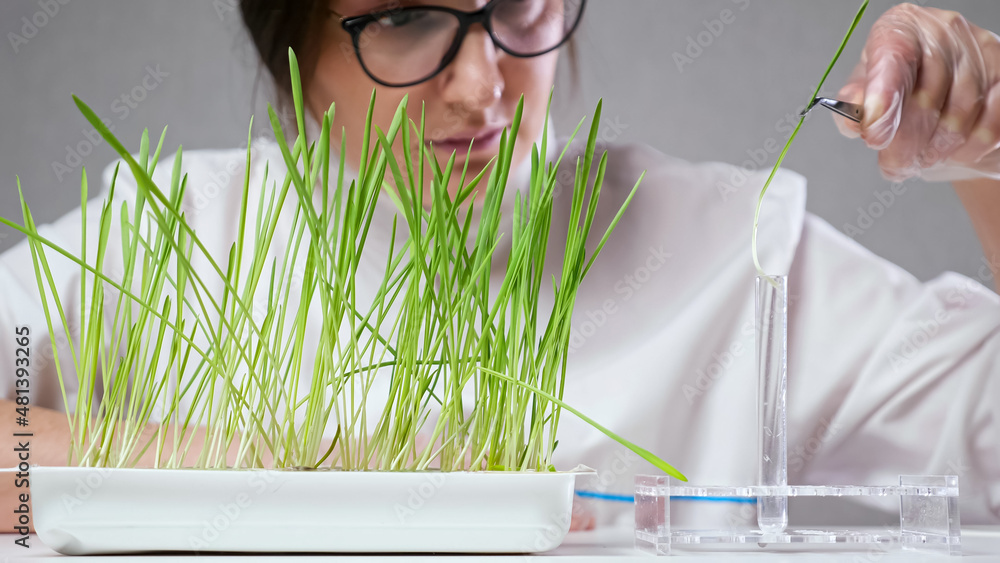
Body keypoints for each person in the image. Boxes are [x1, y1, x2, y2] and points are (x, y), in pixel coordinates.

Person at [2, 0, 999, 532]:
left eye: (515, 7)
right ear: (291, 42)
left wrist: (986, 160)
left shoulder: (735, 251)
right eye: (404, 17)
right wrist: (286, 478)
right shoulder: (174, 229)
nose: (481, 85)